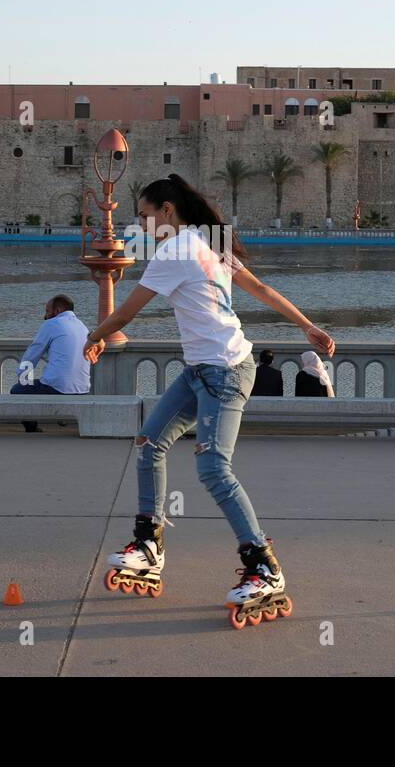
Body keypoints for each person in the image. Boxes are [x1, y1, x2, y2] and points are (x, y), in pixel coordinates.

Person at [82, 173, 335, 623]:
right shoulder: (206, 241)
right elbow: (262, 290)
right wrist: (306, 325)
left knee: (214, 467)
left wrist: (93, 337)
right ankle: (148, 545)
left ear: (166, 212)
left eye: (143, 216)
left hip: (225, 370)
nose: (140, 226)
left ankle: (263, 566)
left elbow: (127, 311)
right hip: (202, 370)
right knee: (149, 442)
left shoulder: (178, 249)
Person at [10, 294, 90, 432]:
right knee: (48, 380)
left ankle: (32, 429)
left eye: (47, 311)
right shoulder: (82, 326)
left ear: (57, 311)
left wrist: (23, 378)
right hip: (83, 389)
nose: (45, 316)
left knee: (18, 390)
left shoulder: (51, 324)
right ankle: (62, 414)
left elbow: (32, 355)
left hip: (58, 389)